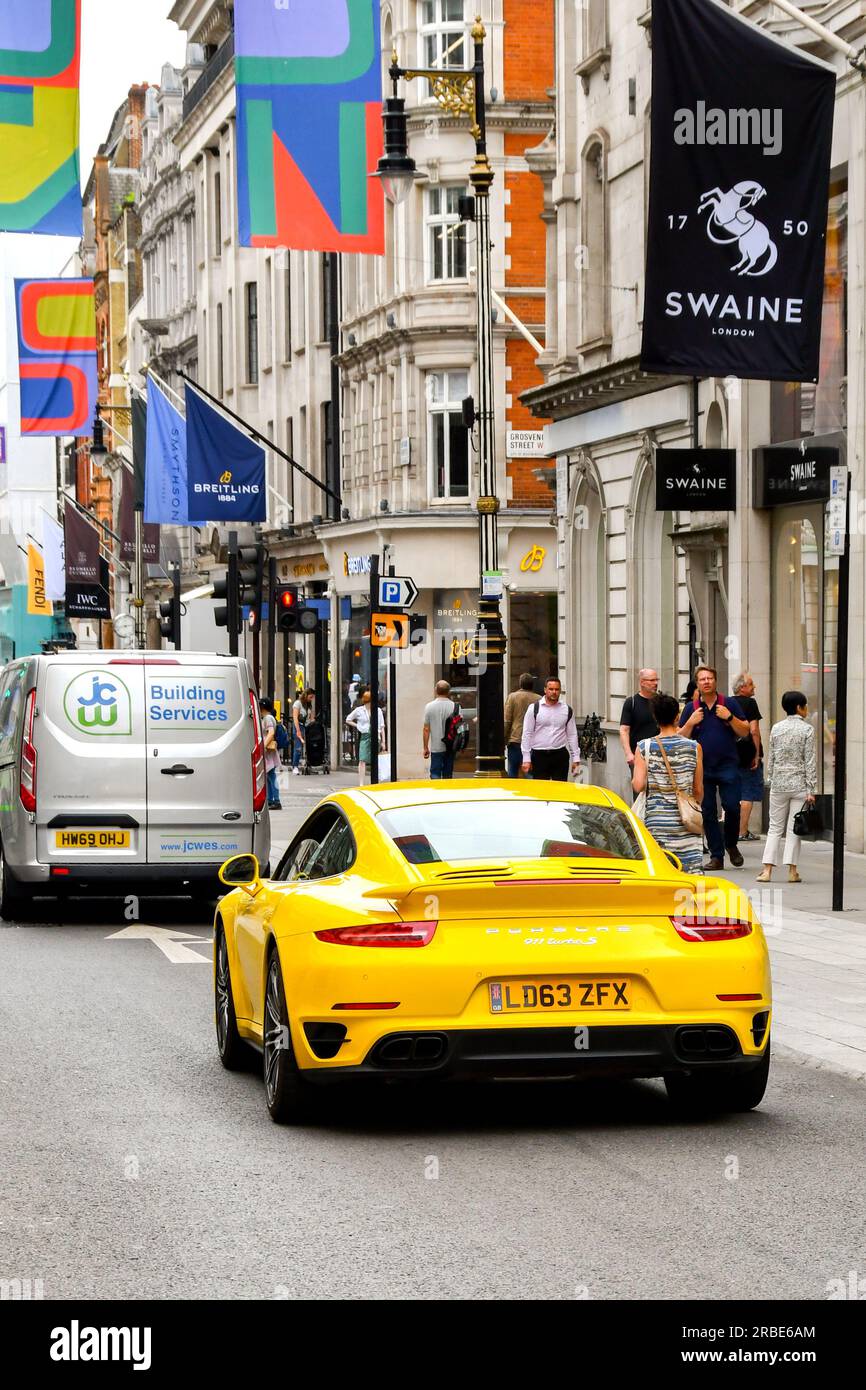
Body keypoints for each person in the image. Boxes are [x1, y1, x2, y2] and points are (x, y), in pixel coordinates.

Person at [679, 665, 750, 869]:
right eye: (702, 679)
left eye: (710, 678)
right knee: (708, 812)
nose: (706, 682)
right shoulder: (691, 708)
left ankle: (731, 845)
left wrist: (729, 717)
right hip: (702, 768)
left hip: (728, 765)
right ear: (697, 683)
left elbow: (745, 731)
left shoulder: (729, 703)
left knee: (732, 807)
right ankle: (716, 856)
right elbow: (680, 737)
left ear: (716, 681)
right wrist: (691, 723)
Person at [632, 692, 704, 874]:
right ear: (677, 717)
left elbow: (638, 785)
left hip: (656, 824)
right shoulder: (694, 747)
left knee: (661, 876)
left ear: (655, 717)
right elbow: (698, 789)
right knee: (689, 879)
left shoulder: (644, 747)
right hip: (687, 823)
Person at [757, 691, 817, 884]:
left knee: (774, 827)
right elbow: (810, 761)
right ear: (799, 707)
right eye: (805, 705)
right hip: (799, 784)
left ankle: (767, 871)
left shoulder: (776, 728)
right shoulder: (807, 730)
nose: (807, 709)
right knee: (793, 829)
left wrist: (771, 779)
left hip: (779, 784)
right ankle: (792, 871)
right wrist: (811, 789)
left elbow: (772, 757)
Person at [520, 676, 581, 782]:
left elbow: (572, 734)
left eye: (557, 689)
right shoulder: (534, 708)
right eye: (551, 689)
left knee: (560, 789)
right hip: (539, 755)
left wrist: (576, 758)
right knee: (541, 791)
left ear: (560, 691)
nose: (554, 692)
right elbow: (527, 733)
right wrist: (526, 758)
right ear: (545, 690)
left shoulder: (567, 710)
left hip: (559, 754)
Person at [733, 672, 764, 842]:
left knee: (733, 793)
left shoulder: (728, 703)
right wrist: (757, 753)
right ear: (742, 687)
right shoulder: (750, 703)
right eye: (751, 684)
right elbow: (754, 730)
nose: (754, 687)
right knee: (747, 793)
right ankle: (742, 831)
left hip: (730, 753)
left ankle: (733, 829)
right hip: (747, 754)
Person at [619, 669, 660, 776]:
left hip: (660, 754)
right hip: (638, 755)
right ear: (642, 682)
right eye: (651, 680)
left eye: (656, 680)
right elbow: (624, 730)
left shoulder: (660, 702)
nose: (655, 683)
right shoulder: (631, 702)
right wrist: (628, 754)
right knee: (640, 790)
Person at [503, 673, 540, 778]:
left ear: (520, 684)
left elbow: (507, 721)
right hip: (533, 741)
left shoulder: (512, 697)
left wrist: (503, 740)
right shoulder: (539, 699)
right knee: (530, 773)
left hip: (515, 739)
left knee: (512, 772)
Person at [346, 690, 385, 787]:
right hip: (365, 736)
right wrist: (358, 726)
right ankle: (361, 783)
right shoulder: (359, 710)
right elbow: (348, 719)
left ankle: (376, 781)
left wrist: (384, 741)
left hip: (376, 736)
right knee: (362, 759)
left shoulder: (378, 710)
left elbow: (381, 726)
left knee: (375, 760)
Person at [423, 680, 459, 780]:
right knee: (448, 774)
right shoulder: (456, 707)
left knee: (435, 773)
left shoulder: (429, 707)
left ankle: (436, 793)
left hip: (436, 747)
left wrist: (425, 747)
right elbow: (460, 728)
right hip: (450, 746)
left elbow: (426, 729)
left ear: (436, 691)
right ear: (448, 692)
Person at [259, 697, 282, 810]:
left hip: (268, 751)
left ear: (262, 707)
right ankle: (271, 800)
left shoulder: (267, 718)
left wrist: (263, 746)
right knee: (269, 776)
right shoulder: (268, 717)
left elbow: (271, 732)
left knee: (271, 776)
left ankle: (276, 801)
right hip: (269, 751)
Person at [291, 687, 314, 776]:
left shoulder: (308, 705)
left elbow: (311, 717)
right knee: (298, 747)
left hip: (306, 726)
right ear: (306, 695)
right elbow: (295, 718)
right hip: (299, 726)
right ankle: (295, 766)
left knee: (307, 746)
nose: (311, 699)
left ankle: (307, 763)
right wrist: (298, 731)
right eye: (310, 697)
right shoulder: (298, 703)